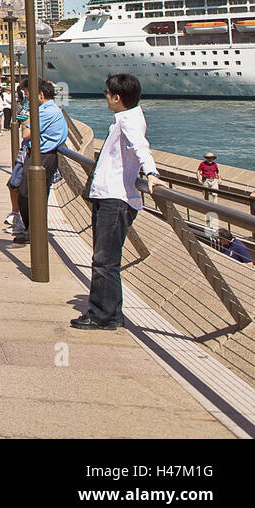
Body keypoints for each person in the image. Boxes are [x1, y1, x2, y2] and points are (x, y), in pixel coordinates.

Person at [71, 73, 162, 330]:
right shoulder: (126, 118)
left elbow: (142, 147)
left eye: (107, 93)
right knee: (104, 259)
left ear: (117, 97)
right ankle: (107, 311)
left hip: (115, 199)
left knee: (105, 260)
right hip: (110, 196)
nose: (105, 96)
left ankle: (104, 316)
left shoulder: (129, 122)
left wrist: (152, 174)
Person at [12, 80, 69, 245]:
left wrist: (24, 120)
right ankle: (31, 230)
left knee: (29, 193)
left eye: (28, 95)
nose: (27, 99)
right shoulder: (46, 110)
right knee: (27, 192)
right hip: (39, 155)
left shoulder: (46, 112)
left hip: (43, 156)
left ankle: (34, 231)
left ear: (40, 95)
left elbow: (26, 134)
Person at [198, 152, 221, 231]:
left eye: (211, 158)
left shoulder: (215, 165)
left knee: (215, 194)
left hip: (214, 179)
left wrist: (220, 179)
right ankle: (206, 205)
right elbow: (198, 171)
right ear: (206, 158)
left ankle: (215, 207)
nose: (210, 159)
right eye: (208, 158)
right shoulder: (202, 164)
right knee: (205, 194)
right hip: (206, 179)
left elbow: (217, 172)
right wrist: (199, 178)